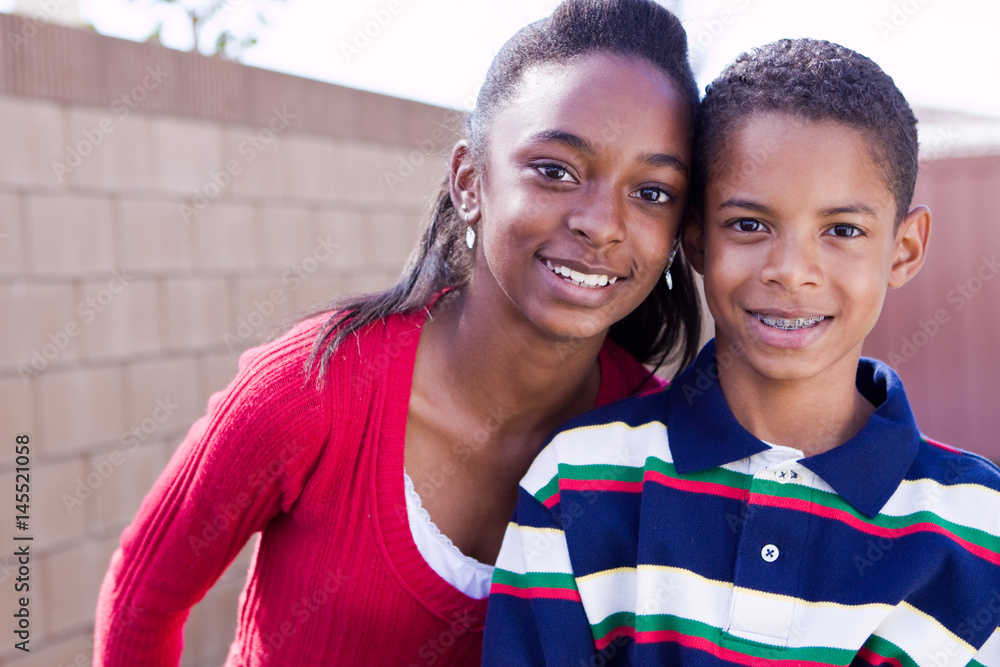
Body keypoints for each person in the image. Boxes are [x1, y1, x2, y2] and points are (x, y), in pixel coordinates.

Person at [93, 0, 703, 664]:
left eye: (651, 192)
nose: (602, 223)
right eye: (555, 170)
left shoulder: (655, 446)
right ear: (471, 181)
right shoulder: (313, 387)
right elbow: (142, 598)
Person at [483, 38, 1000, 665]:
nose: (791, 270)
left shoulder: (979, 531)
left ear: (905, 249)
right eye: (749, 225)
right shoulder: (581, 480)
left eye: (842, 231)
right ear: (696, 239)